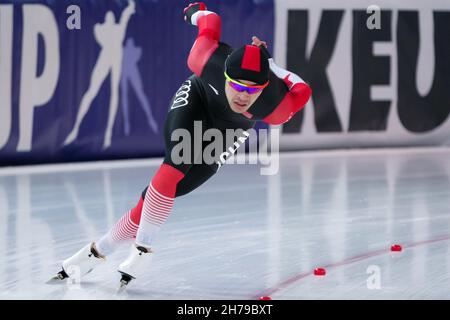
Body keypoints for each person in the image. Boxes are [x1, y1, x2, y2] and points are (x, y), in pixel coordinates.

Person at [49, 2, 312, 288]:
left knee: (165, 192)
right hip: (198, 100)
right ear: (224, 74)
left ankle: (96, 251)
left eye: (252, 90)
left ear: (263, 89)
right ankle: (143, 249)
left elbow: (302, 90)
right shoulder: (204, 59)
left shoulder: (276, 107)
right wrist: (195, 11)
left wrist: (273, 66)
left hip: (229, 130)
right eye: (236, 84)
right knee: (176, 161)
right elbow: (210, 20)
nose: (241, 95)